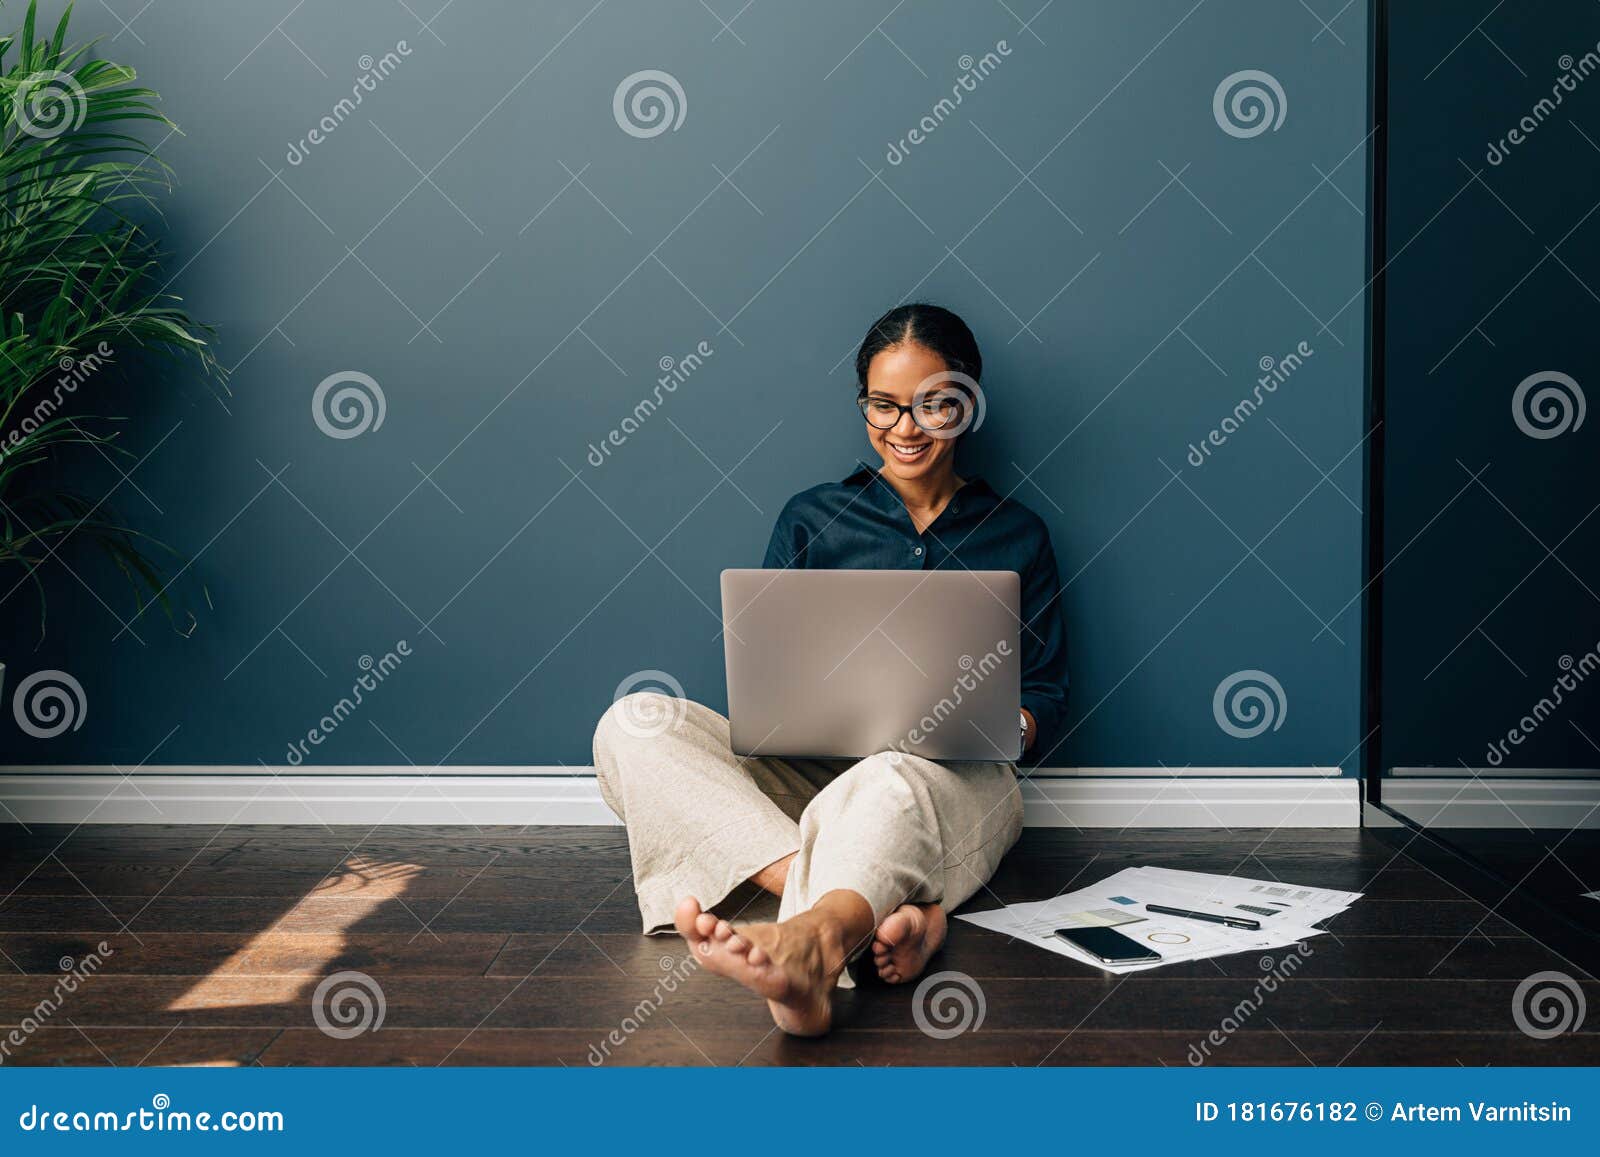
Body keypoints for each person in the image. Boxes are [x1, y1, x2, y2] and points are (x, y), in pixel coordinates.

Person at [591, 303, 1069, 1035]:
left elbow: (1046, 694)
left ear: (966, 404)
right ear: (863, 403)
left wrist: (997, 723)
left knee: (890, 775)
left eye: (932, 403)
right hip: (810, 776)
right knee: (635, 721)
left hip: (952, 782)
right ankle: (876, 909)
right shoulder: (811, 518)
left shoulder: (1020, 534)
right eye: (884, 404)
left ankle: (815, 940)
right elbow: (766, 681)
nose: (905, 427)